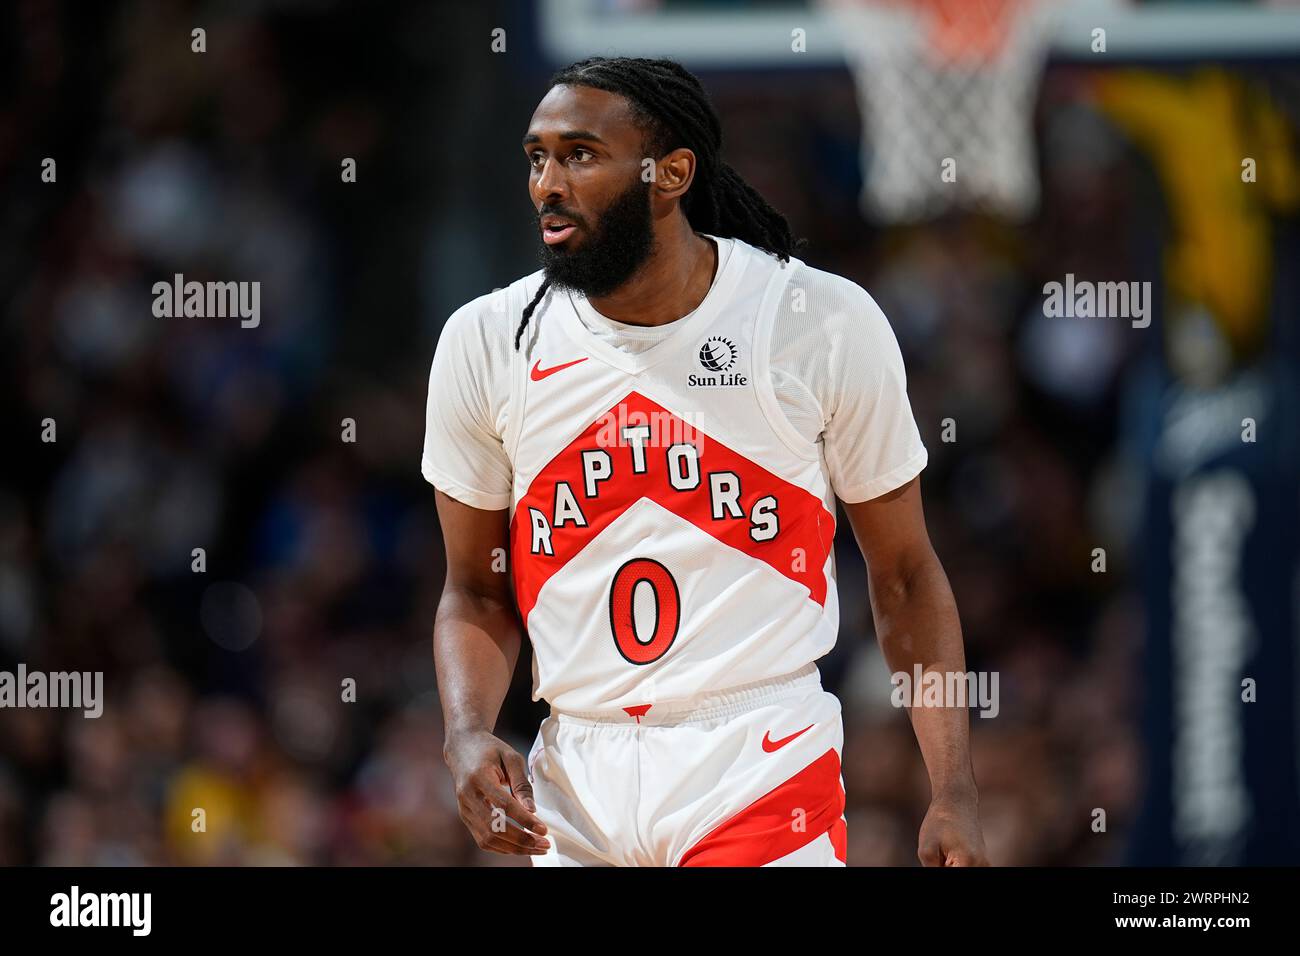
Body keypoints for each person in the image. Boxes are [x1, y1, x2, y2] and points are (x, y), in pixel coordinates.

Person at [422, 56, 987, 867]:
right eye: (537, 156)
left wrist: (953, 787)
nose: (548, 182)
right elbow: (475, 589)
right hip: (574, 772)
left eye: (580, 154)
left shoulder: (815, 321)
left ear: (672, 173)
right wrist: (468, 730)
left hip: (757, 752)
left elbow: (904, 575)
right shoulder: (486, 341)